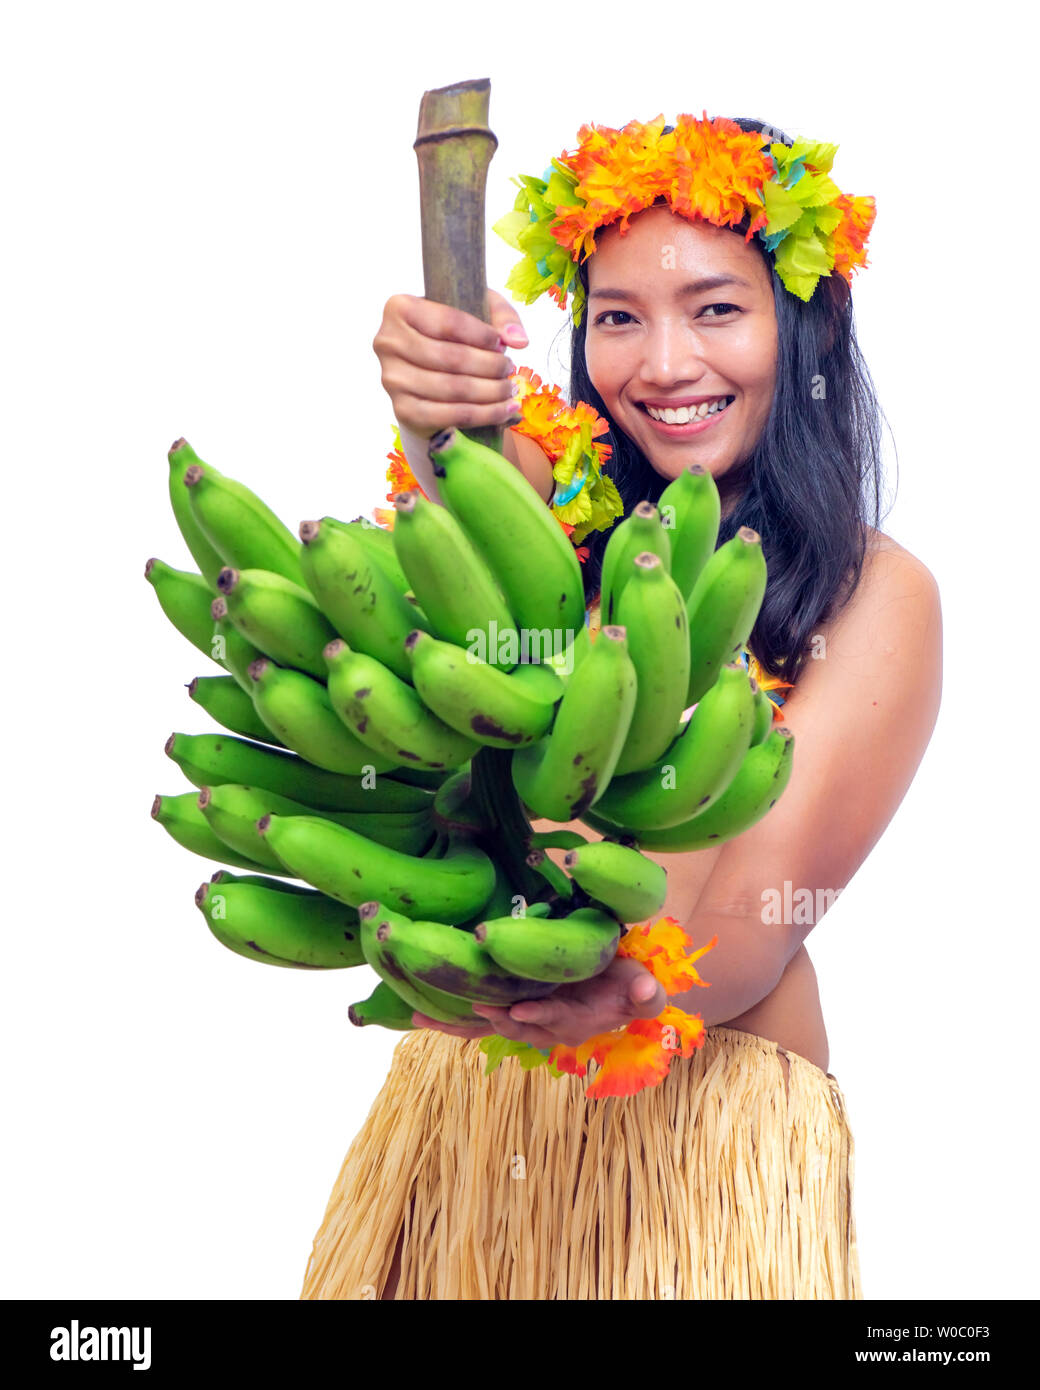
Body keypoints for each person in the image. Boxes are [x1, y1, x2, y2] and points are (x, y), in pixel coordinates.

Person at [299, 113, 942, 1300]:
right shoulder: (556, 534)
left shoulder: (870, 594)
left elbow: (740, 935)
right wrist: (449, 433)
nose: (660, 365)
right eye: (616, 317)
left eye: (714, 309)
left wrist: (621, 991)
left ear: (809, 320)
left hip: (707, 1168)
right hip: (467, 1139)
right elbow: (444, 664)